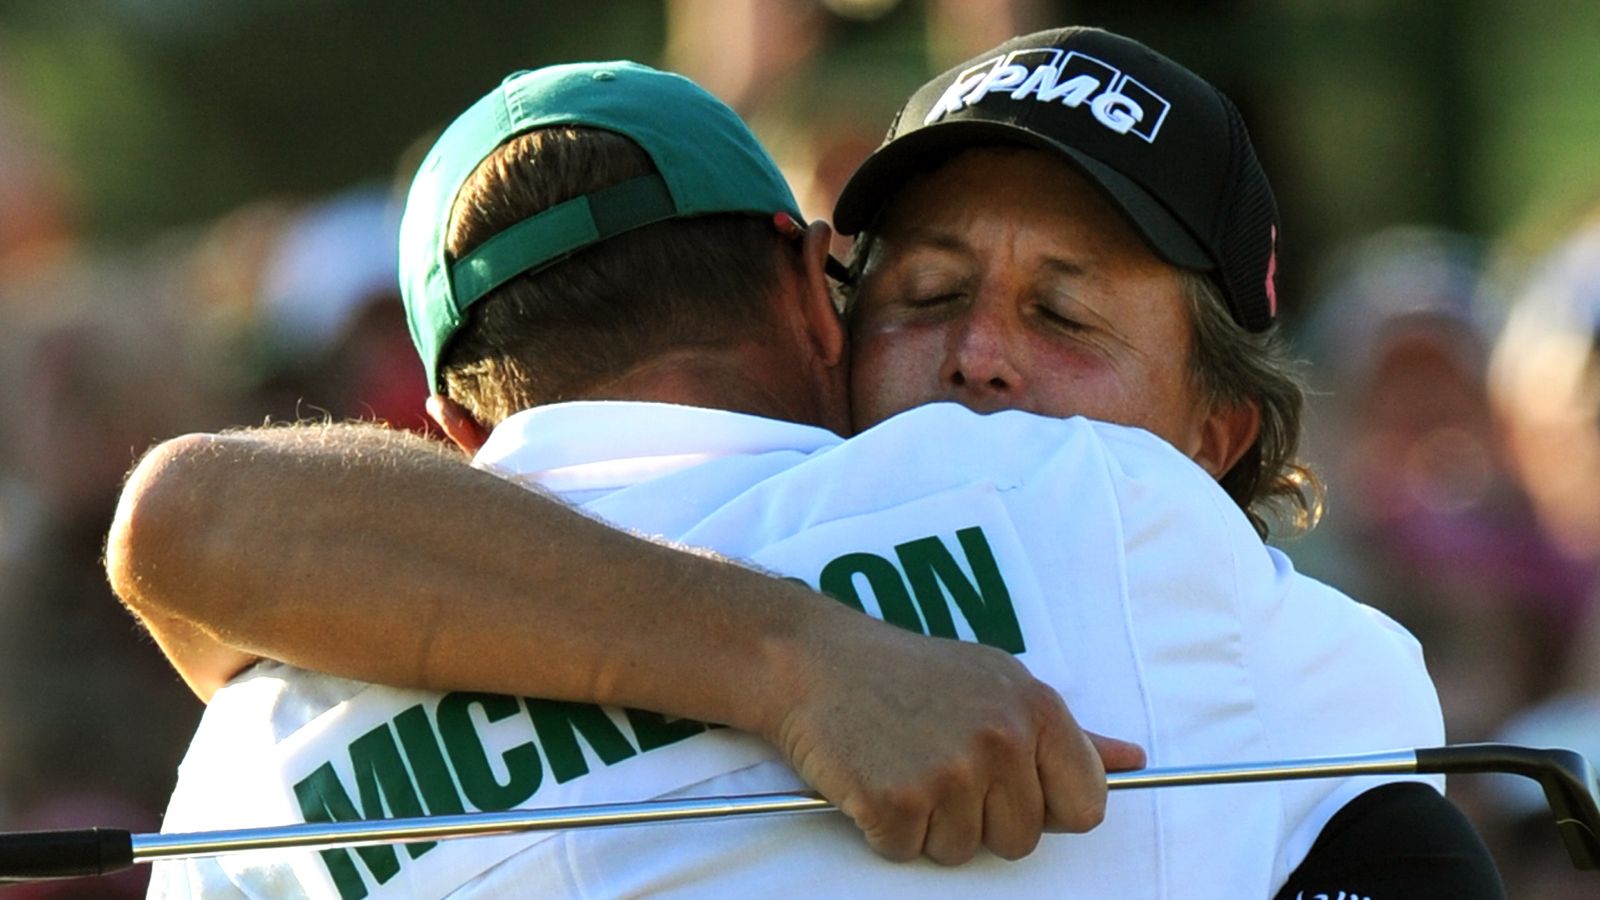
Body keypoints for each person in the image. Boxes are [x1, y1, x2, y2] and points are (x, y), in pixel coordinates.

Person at [110, 29, 1500, 899]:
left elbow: (189, 521)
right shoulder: (1109, 513)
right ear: (814, 291)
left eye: (1066, 314)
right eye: (932, 293)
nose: (980, 362)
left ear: (448, 430)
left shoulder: (248, 758)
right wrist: (806, 662)